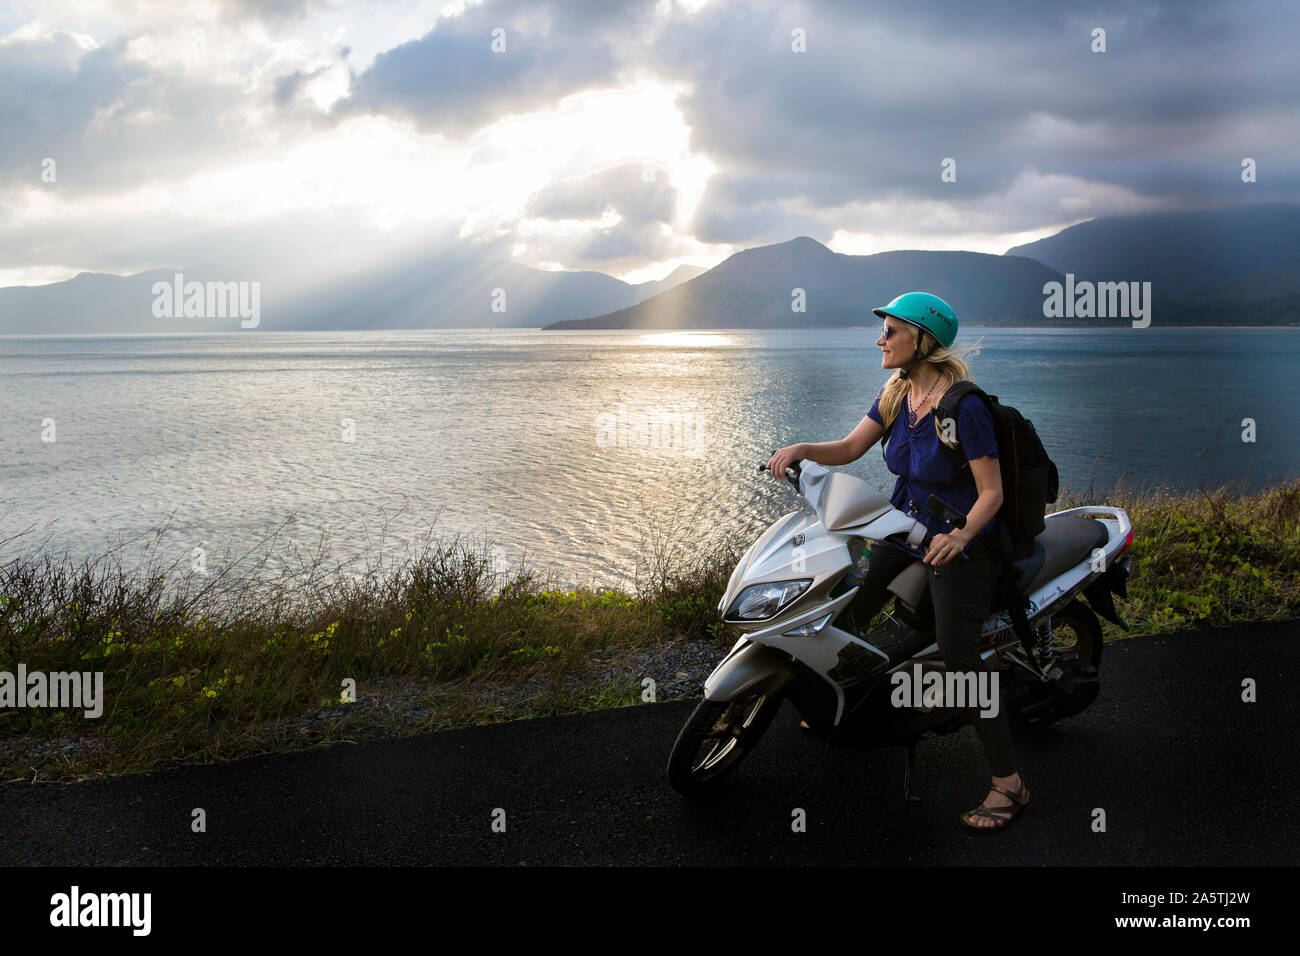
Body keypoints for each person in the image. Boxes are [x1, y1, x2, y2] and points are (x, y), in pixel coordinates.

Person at [765, 291, 1030, 831]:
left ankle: (1010, 785)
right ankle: (840, 709)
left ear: (921, 340)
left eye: (890, 330)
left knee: (960, 660)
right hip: (904, 528)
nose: (879, 339)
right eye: (882, 329)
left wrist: (959, 537)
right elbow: (849, 446)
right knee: (851, 611)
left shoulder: (962, 406)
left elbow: (992, 493)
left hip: (961, 544)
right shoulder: (898, 391)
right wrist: (802, 449)